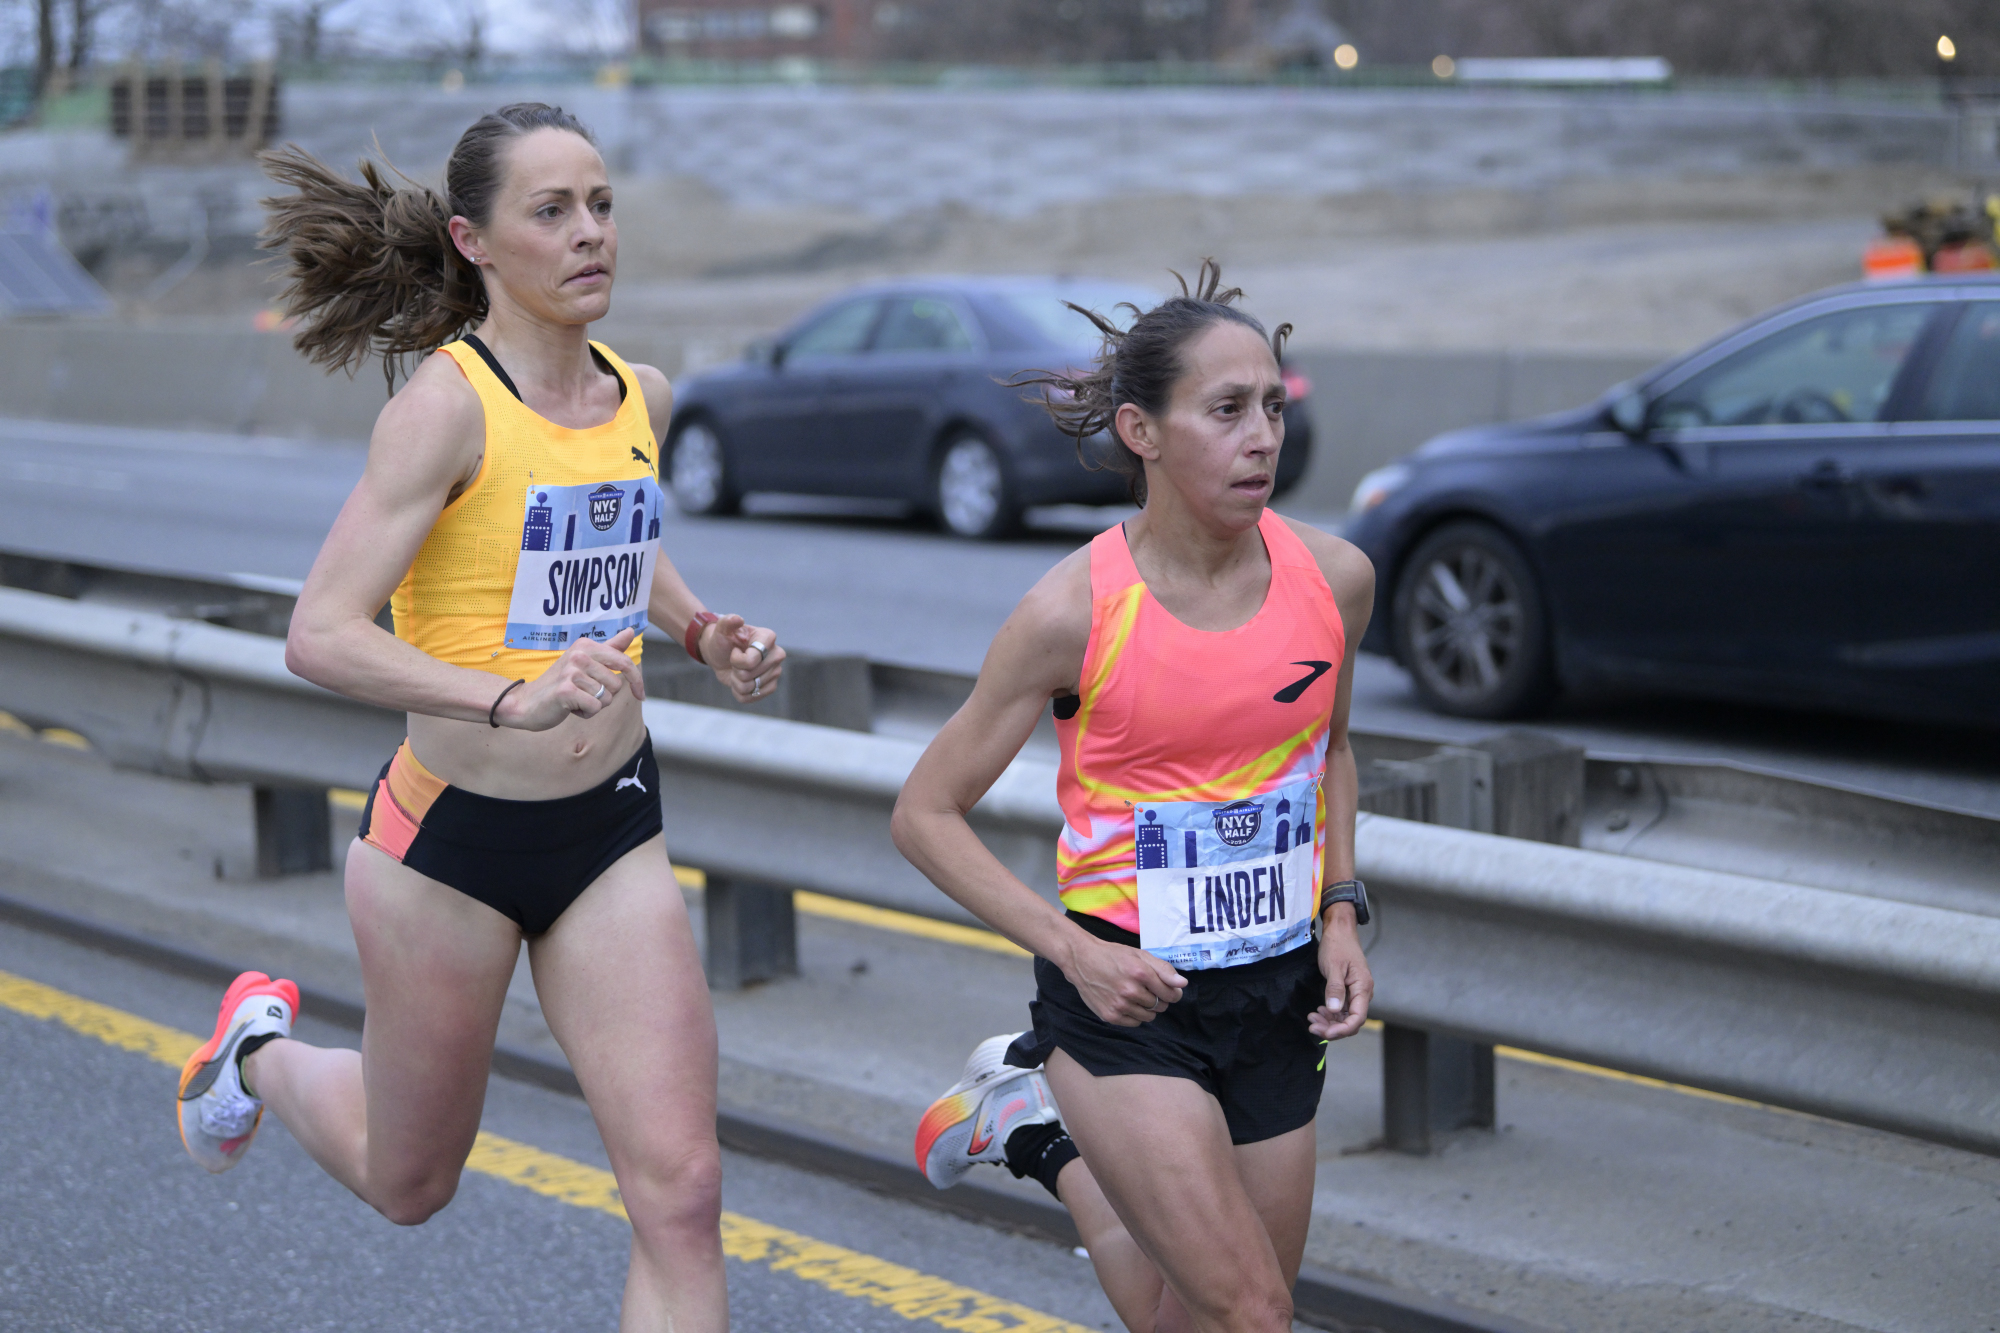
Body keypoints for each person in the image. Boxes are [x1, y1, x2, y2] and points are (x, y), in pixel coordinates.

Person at [172, 103, 782, 1333]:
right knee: (411, 1184)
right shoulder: (443, 411)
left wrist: (704, 630)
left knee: (682, 1190)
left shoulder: (637, 394)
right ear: (475, 241)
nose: (589, 233)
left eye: (601, 204)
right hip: (449, 849)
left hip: (609, 829)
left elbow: (610, 534)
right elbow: (322, 634)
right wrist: (511, 695)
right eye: (550, 211)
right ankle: (253, 1056)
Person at [893, 263, 1375, 1333]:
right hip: (1124, 997)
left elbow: (1330, 751)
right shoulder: (1069, 610)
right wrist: (1074, 952)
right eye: (1224, 411)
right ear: (1140, 432)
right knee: (1253, 1312)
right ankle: (1052, 1092)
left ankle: (1034, 1132)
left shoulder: (1335, 578)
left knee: (1191, 1319)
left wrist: (1339, 909)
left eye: (1269, 405)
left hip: (1274, 987)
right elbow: (922, 813)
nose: (1261, 436)